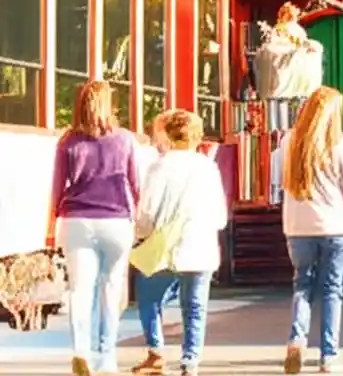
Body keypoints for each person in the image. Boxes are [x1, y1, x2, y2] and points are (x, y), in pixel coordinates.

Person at [47, 80, 140, 376]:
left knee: (80, 289)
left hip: (76, 220)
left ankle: (80, 352)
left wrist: (50, 227)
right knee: (111, 290)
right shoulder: (125, 139)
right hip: (116, 220)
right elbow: (135, 183)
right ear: (108, 104)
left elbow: (57, 187)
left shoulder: (68, 141)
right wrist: (137, 218)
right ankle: (107, 357)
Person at [280, 86, 343, 374]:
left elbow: (278, 182)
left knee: (302, 286)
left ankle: (297, 340)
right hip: (335, 227)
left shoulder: (289, 143)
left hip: (298, 228)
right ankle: (328, 356)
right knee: (332, 290)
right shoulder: (340, 146)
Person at [129, 110, 228, 376]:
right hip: (202, 246)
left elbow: (147, 212)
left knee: (148, 297)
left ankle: (156, 352)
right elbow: (220, 216)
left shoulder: (159, 167)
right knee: (195, 305)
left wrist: (140, 235)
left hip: (165, 247)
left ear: (168, 134)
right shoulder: (208, 166)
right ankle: (190, 360)